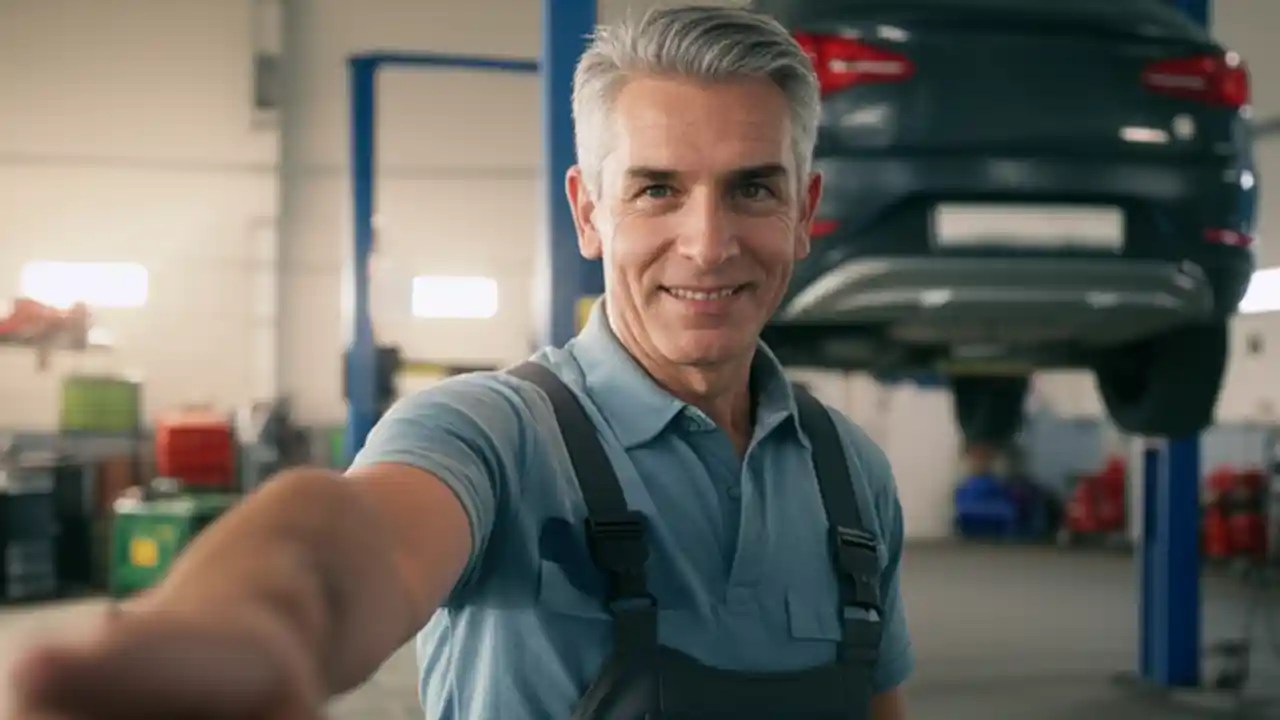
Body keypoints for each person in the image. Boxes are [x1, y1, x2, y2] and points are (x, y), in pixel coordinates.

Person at [7, 6, 912, 719]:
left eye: (752, 188)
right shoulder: (495, 434)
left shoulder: (852, 477)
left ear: (805, 212)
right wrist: (258, 623)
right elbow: (355, 538)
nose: (708, 244)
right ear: (589, 213)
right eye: (656, 190)